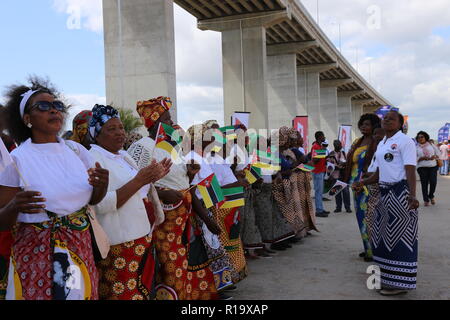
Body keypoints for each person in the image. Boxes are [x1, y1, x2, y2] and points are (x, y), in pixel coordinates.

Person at [0, 81, 109, 300]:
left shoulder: (76, 151)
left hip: (79, 249)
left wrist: (101, 186)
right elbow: (2, 221)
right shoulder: (17, 160)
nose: (53, 110)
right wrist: (14, 206)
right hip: (35, 256)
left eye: (57, 105)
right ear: (27, 119)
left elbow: (92, 200)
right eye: (42, 106)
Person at [128, 97, 218, 300]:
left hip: (181, 221)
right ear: (154, 121)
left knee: (180, 265)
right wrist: (161, 193)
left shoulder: (170, 147)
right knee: (168, 267)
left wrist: (191, 174)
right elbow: (132, 183)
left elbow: (181, 181)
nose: (171, 123)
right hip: (162, 224)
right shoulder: (143, 146)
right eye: (166, 119)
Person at [87, 104, 172, 300]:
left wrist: (153, 177)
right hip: (119, 244)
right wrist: (140, 180)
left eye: (121, 128)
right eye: (111, 129)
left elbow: (137, 191)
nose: (119, 133)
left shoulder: (123, 156)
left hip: (141, 236)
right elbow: (99, 204)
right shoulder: (93, 159)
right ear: (96, 135)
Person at [353, 110, 419, 296]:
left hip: (400, 193)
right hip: (383, 194)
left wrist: (412, 196)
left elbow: (410, 169)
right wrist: (362, 182)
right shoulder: (383, 142)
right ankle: (388, 280)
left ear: (400, 124)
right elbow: (379, 172)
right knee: (382, 239)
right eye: (385, 118)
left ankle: (400, 284)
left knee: (400, 239)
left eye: (392, 118)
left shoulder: (405, 141)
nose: (387, 120)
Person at [344, 113, 381, 262]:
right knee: (360, 217)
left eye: (367, 124)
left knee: (368, 217)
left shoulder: (376, 142)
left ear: (374, 126)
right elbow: (352, 163)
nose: (364, 127)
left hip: (367, 184)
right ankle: (367, 247)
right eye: (362, 124)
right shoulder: (358, 142)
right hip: (355, 184)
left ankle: (372, 251)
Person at [416, 131, 440, 207]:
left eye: (422, 137)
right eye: (419, 137)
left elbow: (438, 153)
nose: (420, 138)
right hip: (422, 167)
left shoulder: (431, 145)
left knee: (433, 182)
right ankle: (426, 200)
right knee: (424, 183)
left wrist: (434, 157)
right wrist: (421, 158)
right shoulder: (416, 147)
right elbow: (413, 158)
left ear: (426, 137)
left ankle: (431, 195)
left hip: (433, 166)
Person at [328, 140, 351, 213]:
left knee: (346, 192)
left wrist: (344, 165)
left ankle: (348, 207)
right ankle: (338, 207)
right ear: (335, 145)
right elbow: (329, 165)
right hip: (335, 176)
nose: (340, 146)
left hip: (343, 176)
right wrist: (337, 166)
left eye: (340, 144)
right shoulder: (331, 154)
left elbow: (347, 162)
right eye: (339, 145)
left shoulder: (343, 153)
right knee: (337, 192)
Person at [311, 131, 329, 217]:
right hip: (317, 172)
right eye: (323, 136)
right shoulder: (315, 146)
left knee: (320, 192)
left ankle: (321, 208)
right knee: (318, 192)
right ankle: (318, 210)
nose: (324, 137)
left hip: (320, 171)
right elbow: (315, 160)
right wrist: (322, 151)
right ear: (319, 137)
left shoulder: (319, 146)